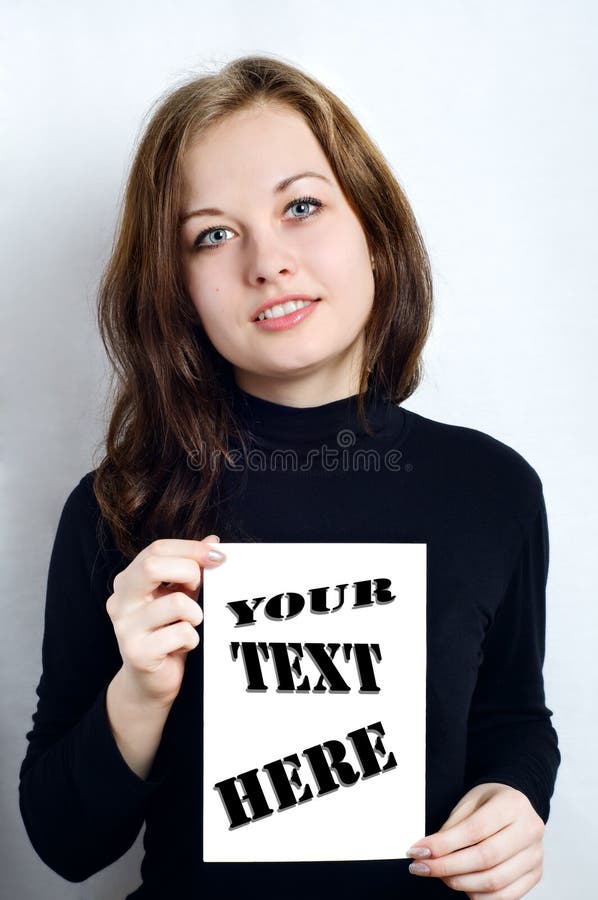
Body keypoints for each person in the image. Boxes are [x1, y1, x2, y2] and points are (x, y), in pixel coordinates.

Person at [18, 54, 560, 898]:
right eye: (213, 233)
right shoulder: (118, 509)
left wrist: (519, 801)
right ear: (176, 288)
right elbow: (63, 844)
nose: (267, 261)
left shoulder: (494, 489)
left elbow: (513, 718)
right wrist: (140, 692)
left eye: (301, 206)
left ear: (373, 227)